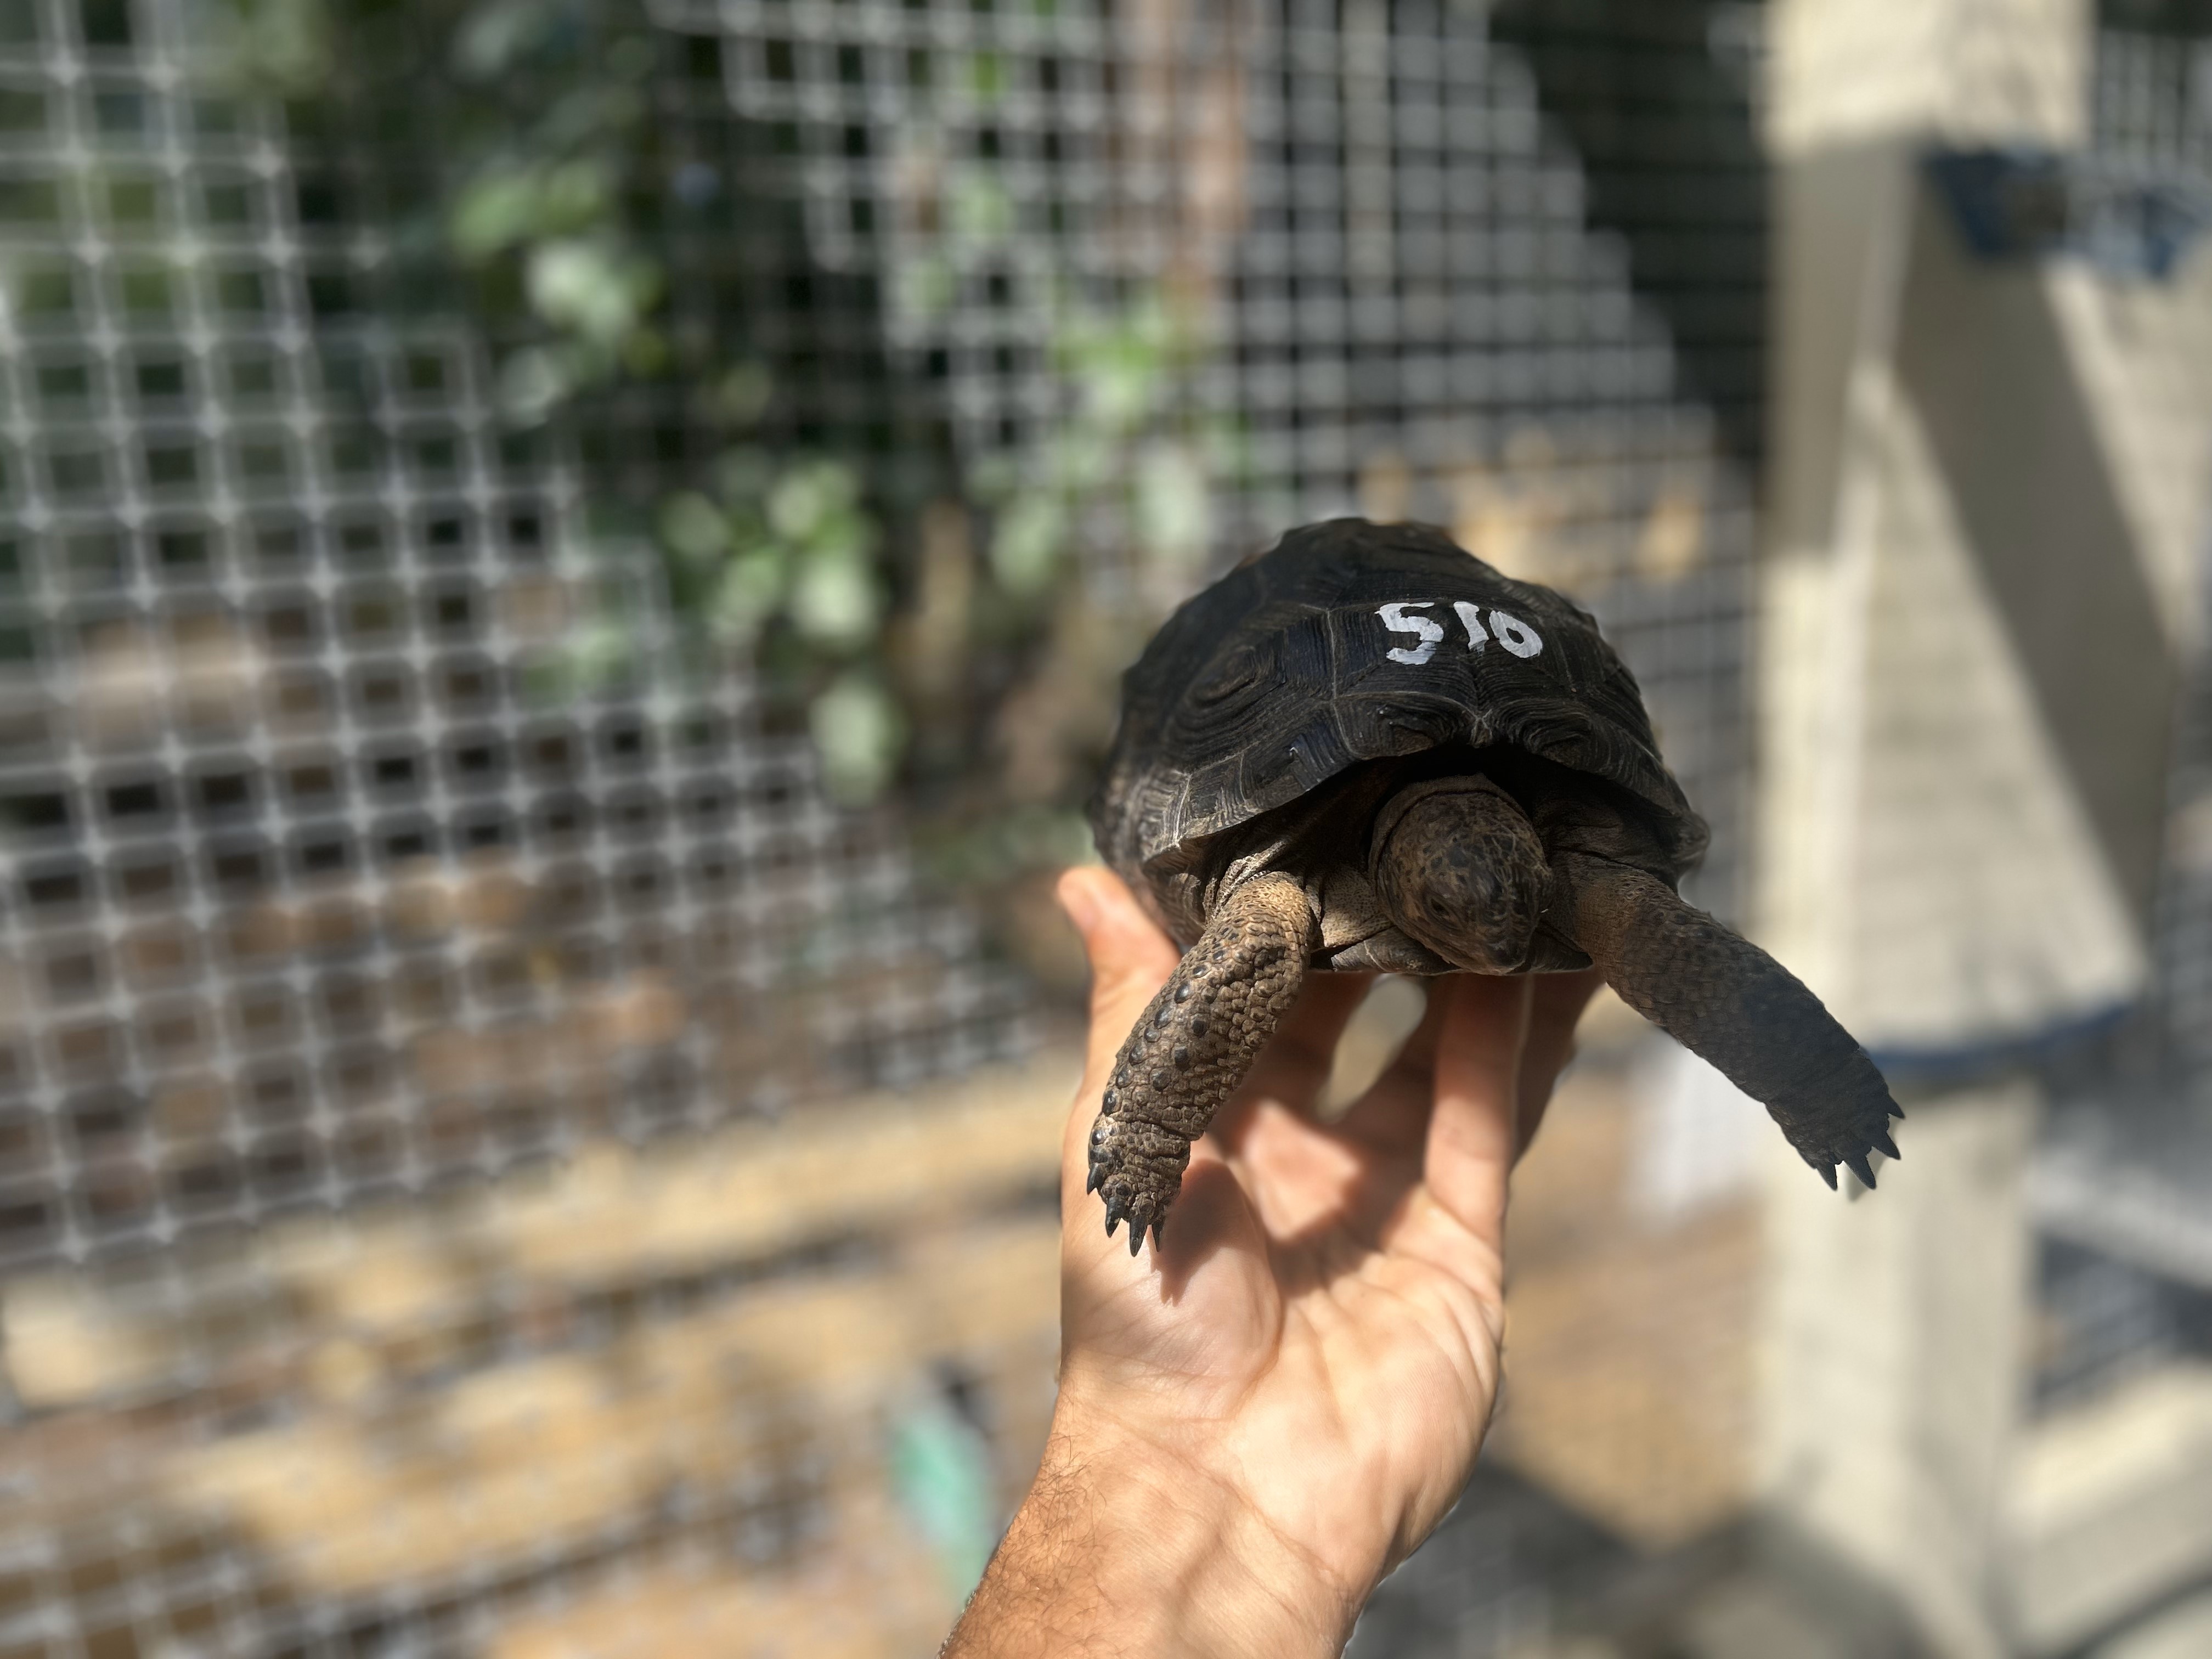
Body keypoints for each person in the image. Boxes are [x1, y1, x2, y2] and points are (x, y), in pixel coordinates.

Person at [942, 866, 1602, 1658]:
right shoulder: (1276, 896)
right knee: (1274, 924)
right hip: (1282, 872)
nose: (1489, 940)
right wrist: (1147, 1127)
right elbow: (1266, 921)